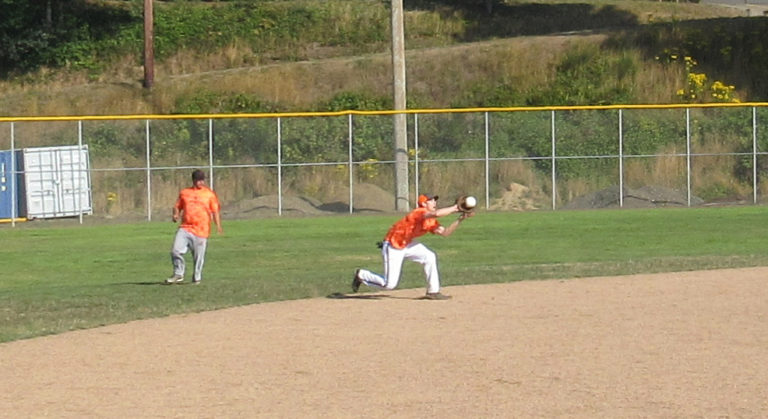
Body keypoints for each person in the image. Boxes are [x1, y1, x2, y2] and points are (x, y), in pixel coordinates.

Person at [351, 193, 473, 300]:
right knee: (389, 285)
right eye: (431, 200)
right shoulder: (419, 212)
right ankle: (361, 275)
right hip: (394, 245)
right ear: (423, 203)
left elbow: (445, 233)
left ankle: (433, 291)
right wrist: (456, 208)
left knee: (429, 256)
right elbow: (436, 214)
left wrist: (460, 219)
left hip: (408, 243)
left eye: (435, 200)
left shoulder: (430, 220)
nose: (434, 202)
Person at [165, 169, 223, 285]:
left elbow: (215, 211)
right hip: (185, 227)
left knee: (198, 257)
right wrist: (175, 214)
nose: (200, 183)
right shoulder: (185, 193)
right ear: (193, 180)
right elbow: (177, 206)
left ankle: (197, 278)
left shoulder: (209, 194)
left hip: (201, 229)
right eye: (198, 180)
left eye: (202, 180)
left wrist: (218, 226)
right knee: (175, 251)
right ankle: (179, 274)